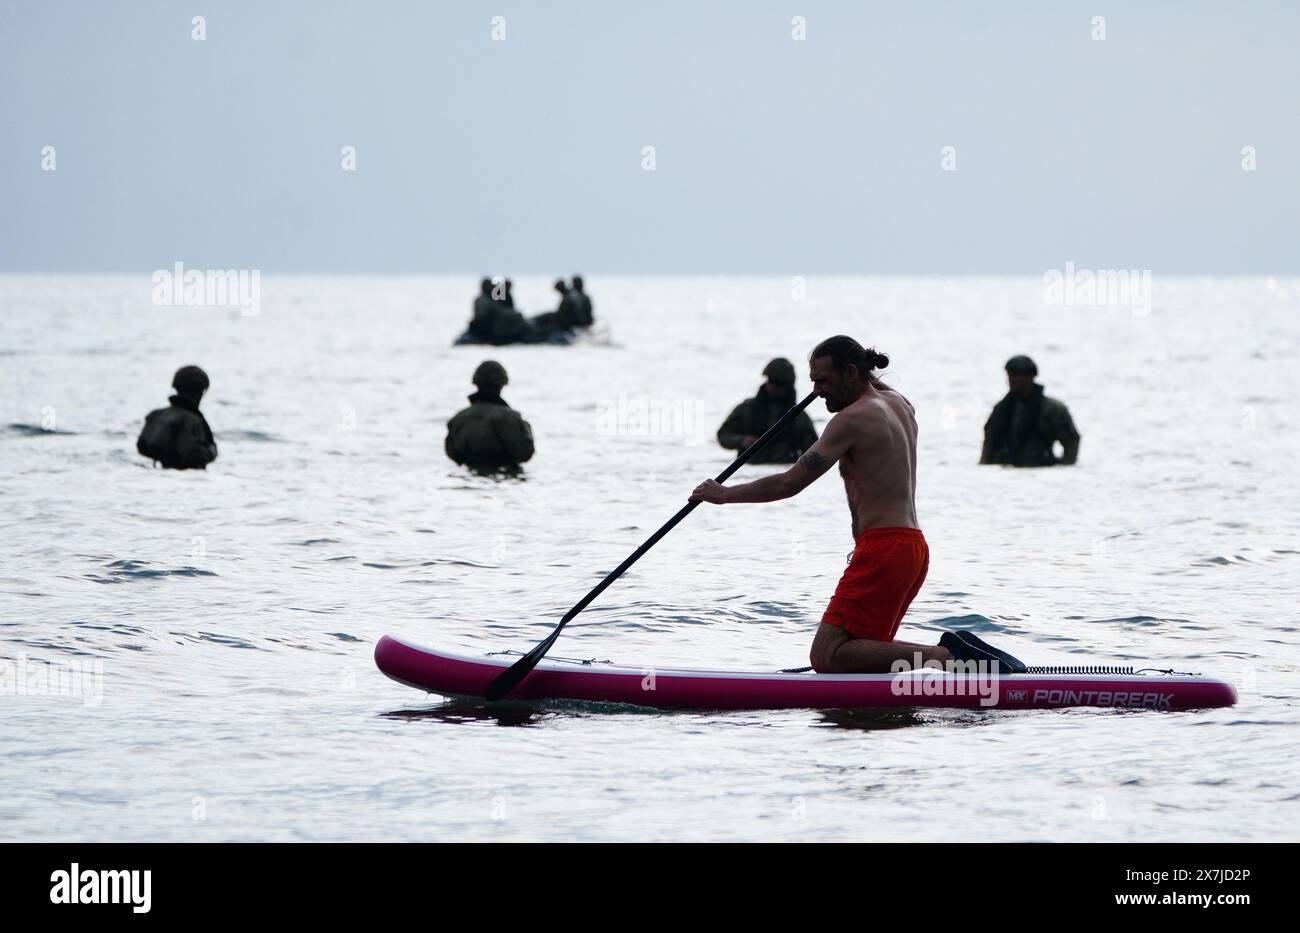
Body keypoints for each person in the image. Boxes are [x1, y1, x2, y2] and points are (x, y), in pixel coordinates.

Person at [690, 335, 1025, 674]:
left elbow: (789, 483)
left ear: (851, 373)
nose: (818, 391)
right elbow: (867, 381)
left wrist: (724, 494)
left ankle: (947, 658)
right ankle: (954, 658)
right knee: (859, 655)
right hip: (912, 549)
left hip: (884, 549)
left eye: (823, 381)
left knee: (827, 656)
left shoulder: (851, 419)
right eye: (813, 382)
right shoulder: (900, 404)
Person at [979, 355, 1080, 467]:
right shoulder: (1001, 409)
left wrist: (1064, 469)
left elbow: (1071, 442)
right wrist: (984, 468)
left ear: (1031, 376)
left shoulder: (1052, 409)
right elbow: (989, 442)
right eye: (1011, 374)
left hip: (1040, 470)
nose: (1013, 379)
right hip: (1006, 470)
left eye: (1018, 375)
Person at [716, 358, 818, 463]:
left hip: (784, 469)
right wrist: (742, 441)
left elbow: (814, 452)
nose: (773, 387)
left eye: (779, 384)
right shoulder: (746, 409)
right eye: (771, 381)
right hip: (750, 466)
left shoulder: (799, 417)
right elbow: (723, 435)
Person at [445, 361, 535, 473]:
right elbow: (524, 454)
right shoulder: (511, 417)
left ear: (476, 382)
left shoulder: (459, 418)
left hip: (469, 474)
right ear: (502, 384)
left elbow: (453, 453)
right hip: (507, 478)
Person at [136, 365, 218, 470]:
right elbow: (193, 455)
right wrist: (212, 452)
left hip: (161, 473)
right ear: (199, 391)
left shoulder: (156, 415)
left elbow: (143, 447)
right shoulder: (192, 420)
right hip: (188, 479)